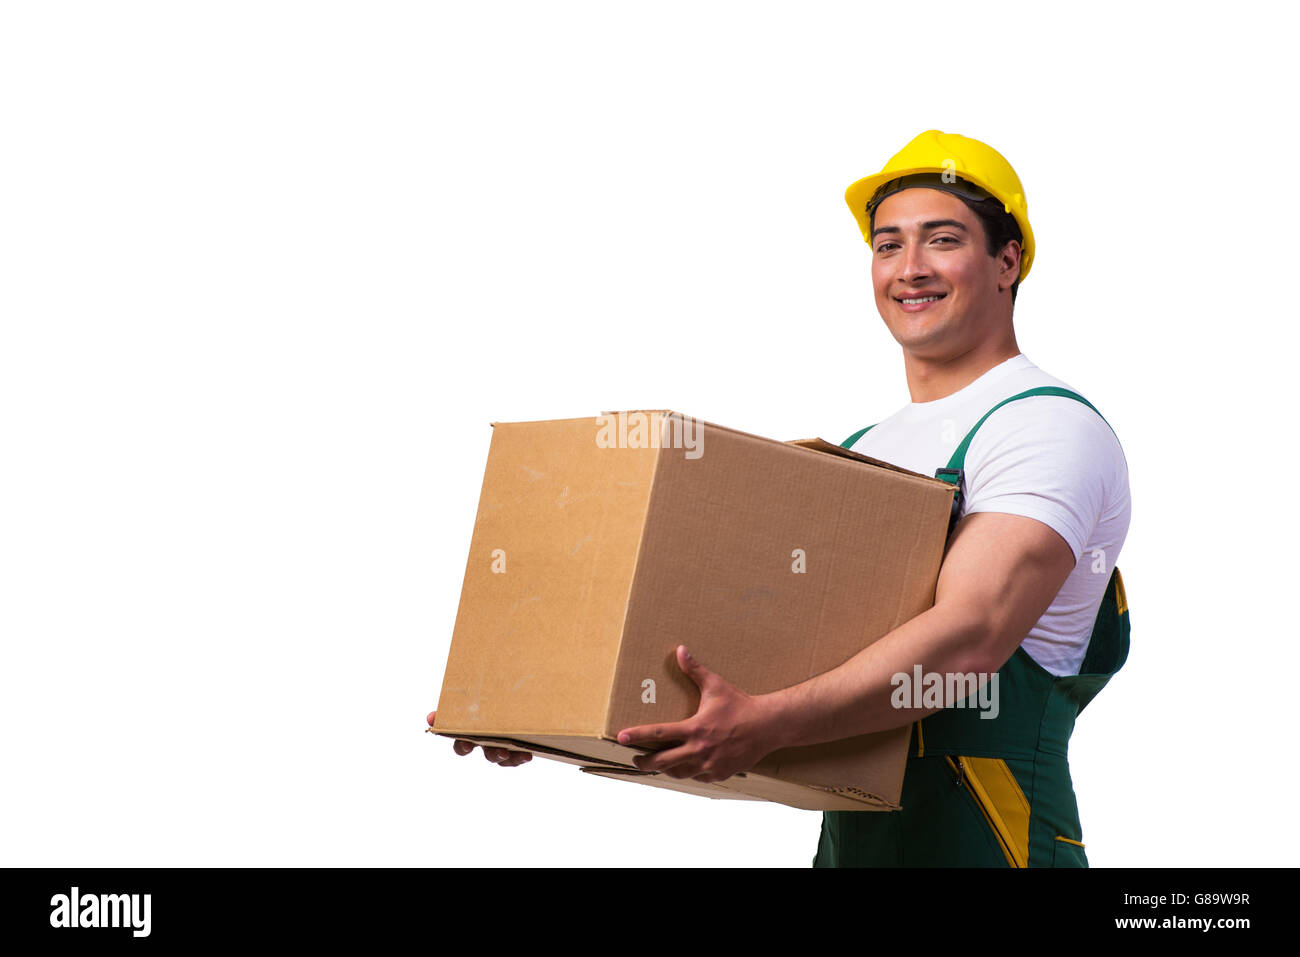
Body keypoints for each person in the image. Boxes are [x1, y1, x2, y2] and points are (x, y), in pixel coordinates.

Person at [432, 130, 1132, 868]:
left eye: (942, 240)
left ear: (1007, 261)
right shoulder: (866, 453)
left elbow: (971, 635)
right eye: (887, 245)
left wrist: (765, 722)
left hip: (996, 845)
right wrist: (546, 706)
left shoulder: (1046, 425)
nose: (910, 268)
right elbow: (759, 643)